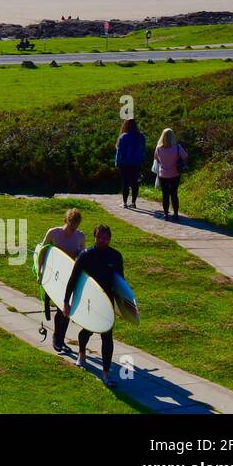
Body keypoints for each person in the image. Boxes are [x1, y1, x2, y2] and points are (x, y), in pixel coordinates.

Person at [64, 224, 125, 388]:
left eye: (105, 238)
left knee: (107, 336)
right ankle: (82, 353)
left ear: (110, 239)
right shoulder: (85, 255)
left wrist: (122, 307)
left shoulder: (116, 256)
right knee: (88, 330)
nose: (102, 240)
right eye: (99, 237)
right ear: (94, 236)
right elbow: (73, 279)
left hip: (107, 302)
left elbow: (120, 283)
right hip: (89, 300)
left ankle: (106, 373)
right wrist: (66, 302)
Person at [42, 209, 86, 353]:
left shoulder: (80, 237)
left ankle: (60, 339)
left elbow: (82, 258)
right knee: (61, 309)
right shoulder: (53, 233)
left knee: (67, 309)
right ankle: (57, 338)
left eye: (76, 226)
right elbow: (42, 252)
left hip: (70, 278)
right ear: (66, 220)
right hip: (54, 276)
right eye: (71, 225)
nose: (73, 229)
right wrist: (40, 273)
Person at [153, 128, 188, 221]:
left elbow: (156, 159)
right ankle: (176, 214)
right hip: (175, 174)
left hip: (163, 174)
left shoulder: (159, 148)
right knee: (174, 194)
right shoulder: (177, 147)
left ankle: (165, 215)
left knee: (165, 195)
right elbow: (185, 157)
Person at [114, 118, 147, 208]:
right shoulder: (141, 136)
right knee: (135, 183)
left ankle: (124, 203)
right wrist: (142, 161)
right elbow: (143, 150)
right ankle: (133, 202)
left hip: (124, 163)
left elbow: (119, 151)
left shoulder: (124, 136)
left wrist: (116, 162)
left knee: (125, 182)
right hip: (136, 163)